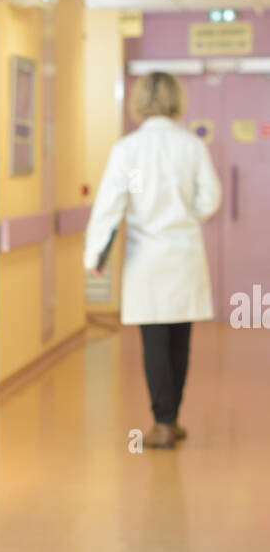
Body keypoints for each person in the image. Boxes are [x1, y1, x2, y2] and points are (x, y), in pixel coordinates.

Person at [84, 70, 222, 448]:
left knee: (155, 341)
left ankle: (163, 421)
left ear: (139, 101)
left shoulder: (127, 149)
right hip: (183, 253)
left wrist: (95, 254)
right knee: (181, 340)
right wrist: (187, 216)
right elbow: (210, 198)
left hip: (146, 256)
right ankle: (172, 418)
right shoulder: (191, 146)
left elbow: (109, 206)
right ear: (177, 100)